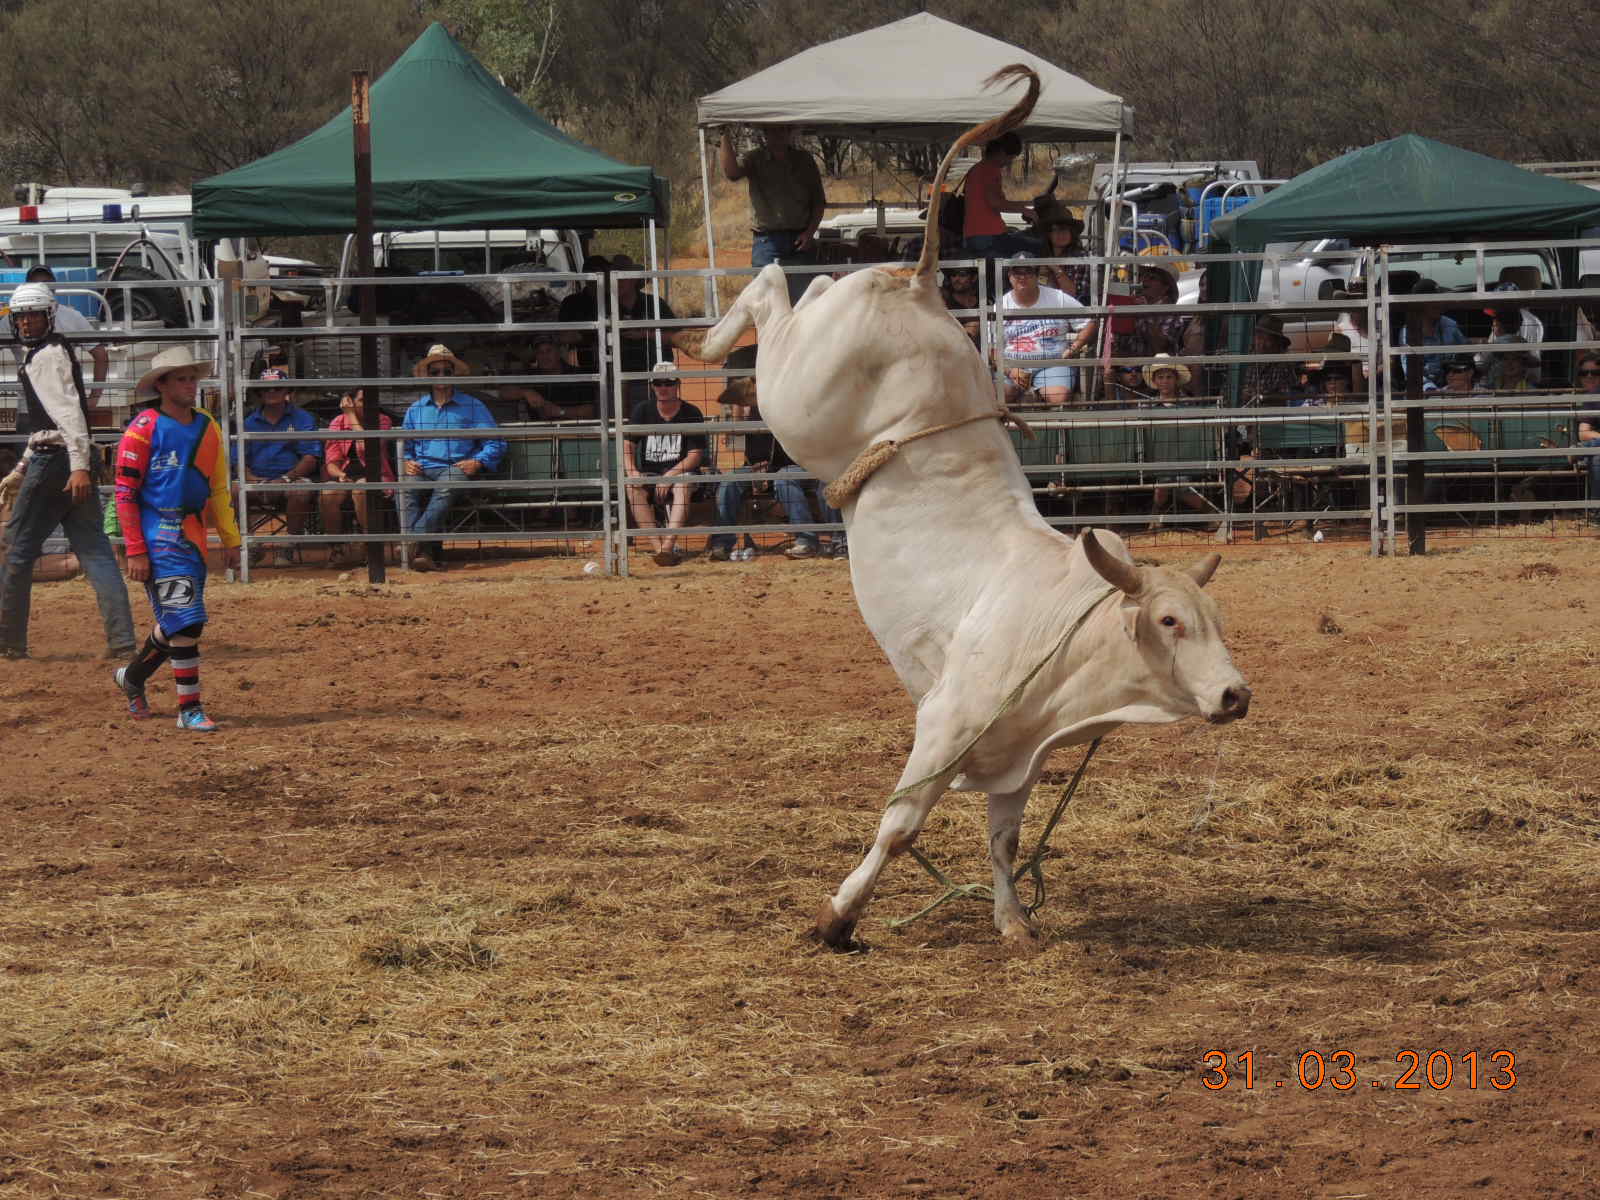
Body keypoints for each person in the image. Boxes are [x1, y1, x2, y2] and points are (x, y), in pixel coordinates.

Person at [0, 282, 135, 660]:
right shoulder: (58, 349)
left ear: (48, 316)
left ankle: (9, 642)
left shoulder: (44, 357)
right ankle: (122, 640)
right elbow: (59, 419)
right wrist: (29, 464)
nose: (27, 323)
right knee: (94, 550)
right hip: (70, 457)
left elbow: (68, 416)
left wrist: (73, 466)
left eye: (32, 315)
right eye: (22, 316)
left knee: (17, 549)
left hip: (58, 460)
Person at [111, 346, 241, 731]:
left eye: (193, 378)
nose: (190, 385)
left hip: (192, 534)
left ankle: (133, 677)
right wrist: (135, 549)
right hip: (158, 533)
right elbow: (125, 494)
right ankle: (189, 709)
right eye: (181, 379)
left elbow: (218, 487)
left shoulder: (207, 426)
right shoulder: (142, 428)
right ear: (162, 385)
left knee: (183, 621)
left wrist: (230, 540)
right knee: (185, 622)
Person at [399, 343, 507, 573]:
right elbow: (405, 447)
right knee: (405, 488)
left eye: (446, 371)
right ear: (427, 376)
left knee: (446, 486)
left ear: (454, 374)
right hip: (422, 468)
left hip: (455, 466)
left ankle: (411, 541)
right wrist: (406, 461)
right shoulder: (415, 409)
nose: (441, 376)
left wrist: (477, 462)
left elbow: (495, 441)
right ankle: (424, 554)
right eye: (434, 371)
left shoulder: (472, 405)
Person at [719, 124, 827, 304]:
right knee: (764, 302)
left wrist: (809, 233)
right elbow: (732, 173)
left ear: (789, 132)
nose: (778, 135)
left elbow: (818, 202)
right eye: (772, 130)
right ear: (765, 133)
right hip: (766, 241)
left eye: (782, 129)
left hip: (799, 242)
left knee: (803, 302)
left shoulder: (804, 160)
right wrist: (724, 134)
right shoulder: (755, 158)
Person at [624, 360, 706, 567]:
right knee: (632, 487)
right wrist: (632, 470)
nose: (663, 388)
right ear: (652, 386)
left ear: (677, 384)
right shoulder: (642, 410)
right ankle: (658, 547)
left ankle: (668, 546)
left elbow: (695, 455)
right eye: (658, 383)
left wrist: (669, 476)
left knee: (683, 485)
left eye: (668, 383)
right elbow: (628, 446)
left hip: (681, 473)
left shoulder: (691, 412)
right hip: (650, 474)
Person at [239, 366, 320, 565]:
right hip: (257, 479)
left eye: (277, 388)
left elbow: (310, 457)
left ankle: (289, 547)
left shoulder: (303, 419)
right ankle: (251, 545)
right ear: (259, 393)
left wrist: (284, 479)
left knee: (300, 491)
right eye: (266, 389)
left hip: (291, 478)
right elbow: (239, 459)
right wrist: (251, 479)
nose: (271, 392)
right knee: (233, 490)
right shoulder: (248, 422)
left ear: (287, 391)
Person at [1, 267, 110, 400]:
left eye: (47, 284)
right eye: (36, 284)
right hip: (29, 403)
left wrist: (94, 397)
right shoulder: (10, 321)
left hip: (68, 404)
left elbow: (100, 355)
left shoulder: (72, 317)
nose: (43, 288)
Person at [999, 252, 1093, 406]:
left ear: (1036, 275)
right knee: (999, 395)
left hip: (1052, 363)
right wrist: (1010, 370)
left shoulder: (1058, 297)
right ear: (1010, 275)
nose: (1022, 277)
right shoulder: (1000, 304)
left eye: (1028, 272)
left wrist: (1074, 348)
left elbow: (1090, 322)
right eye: (1017, 272)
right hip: (1013, 365)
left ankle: (1033, 397)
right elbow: (992, 349)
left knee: (1059, 397)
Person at [319, 389, 395, 564]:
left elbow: (367, 449)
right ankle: (335, 547)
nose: (368, 404)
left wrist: (351, 416)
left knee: (362, 488)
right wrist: (340, 475)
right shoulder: (337, 422)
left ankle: (371, 546)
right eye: (362, 400)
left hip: (377, 475)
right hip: (347, 474)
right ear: (350, 402)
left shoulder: (382, 420)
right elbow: (331, 462)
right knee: (328, 493)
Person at [609, 254, 679, 408]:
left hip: (652, 377)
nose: (618, 282)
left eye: (623, 276)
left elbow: (677, 337)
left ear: (634, 279)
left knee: (649, 420)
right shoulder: (605, 307)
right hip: (615, 377)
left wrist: (645, 333)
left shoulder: (654, 303)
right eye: (615, 277)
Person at [961, 133, 1037, 258]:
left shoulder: (978, 168)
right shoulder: (990, 169)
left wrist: (1028, 205)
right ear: (1001, 151)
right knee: (1038, 247)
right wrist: (1026, 211)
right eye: (1010, 157)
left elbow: (989, 202)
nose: (1009, 162)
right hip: (987, 235)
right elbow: (995, 202)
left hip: (976, 234)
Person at [1398, 284, 1467, 390]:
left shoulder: (1450, 325)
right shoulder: (1407, 333)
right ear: (1420, 305)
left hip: (1453, 389)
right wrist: (1431, 390)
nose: (1439, 304)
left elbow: (1465, 355)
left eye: (1439, 300)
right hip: (1422, 393)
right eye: (1433, 301)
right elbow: (1411, 372)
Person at [556, 254, 609, 372]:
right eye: (594, 274)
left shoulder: (614, 300)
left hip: (612, 362)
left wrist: (582, 335)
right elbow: (563, 336)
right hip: (579, 366)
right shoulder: (571, 302)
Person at [1572, 354, 1600, 523]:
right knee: (1598, 457)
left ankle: (1583, 450)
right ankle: (1598, 512)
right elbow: (1583, 432)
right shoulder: (1593, 397)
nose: (1589, 376)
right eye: (1584, 373)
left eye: (1595, 373)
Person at [1039, 213, 1093, 299]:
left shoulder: (1080, 257)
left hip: (1071, 309)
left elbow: (1072, 295)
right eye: (1056, 230)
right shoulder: (1040, 256)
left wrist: (1056, 268)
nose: (1061, 234)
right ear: (1049, 234)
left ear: (1072, 234)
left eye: (1065, 230)